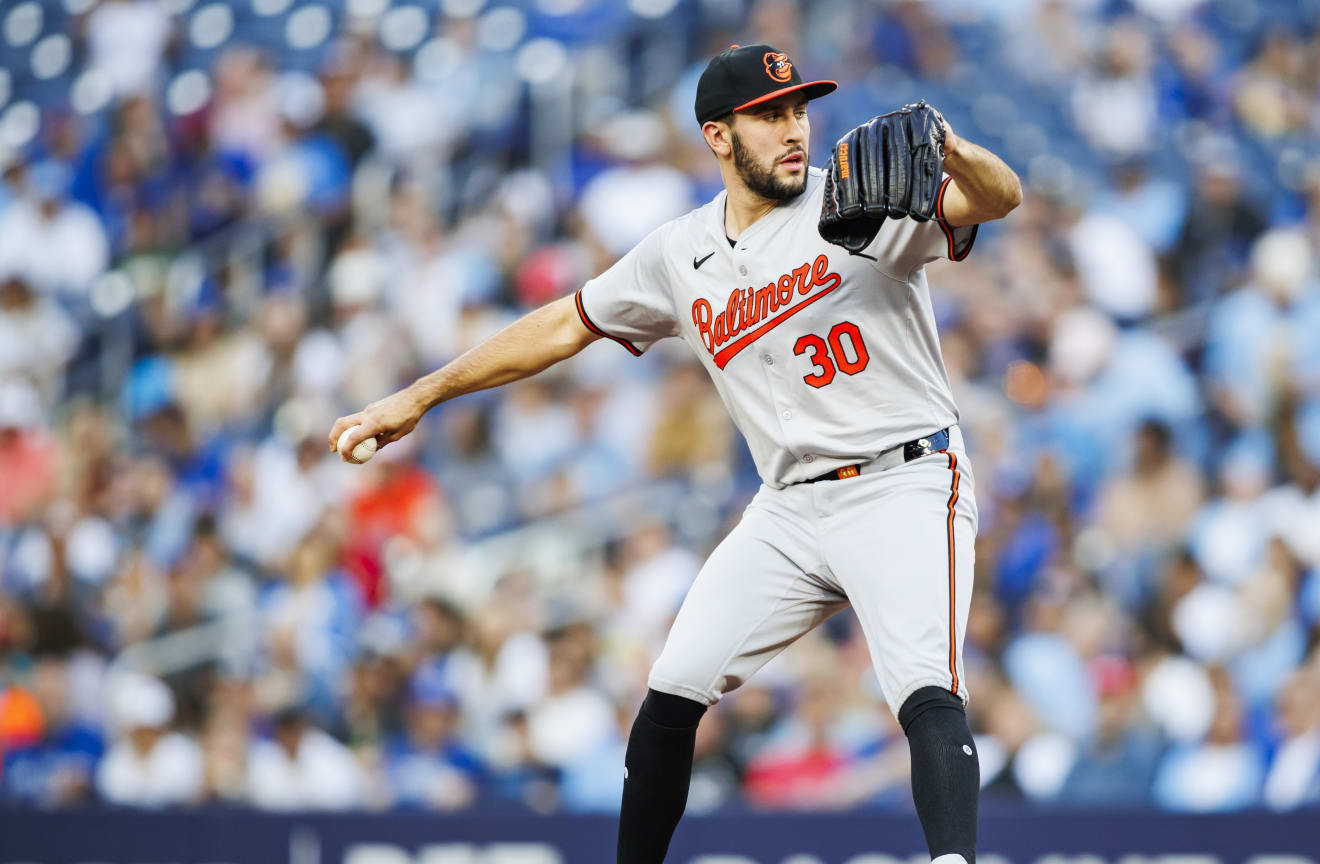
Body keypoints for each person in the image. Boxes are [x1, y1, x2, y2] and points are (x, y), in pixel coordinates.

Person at [329, 42, 1020, 864]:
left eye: (799, 109)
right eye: (769, 116)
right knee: (671, 692)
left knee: (926, 693)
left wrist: (954, 149)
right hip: (790, 506)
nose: (794, 129)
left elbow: (999, 200)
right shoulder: (678, 254)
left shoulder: (856, 196)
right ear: (717, 137)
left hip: (903, 480)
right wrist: (420, 395)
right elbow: (560, 324)